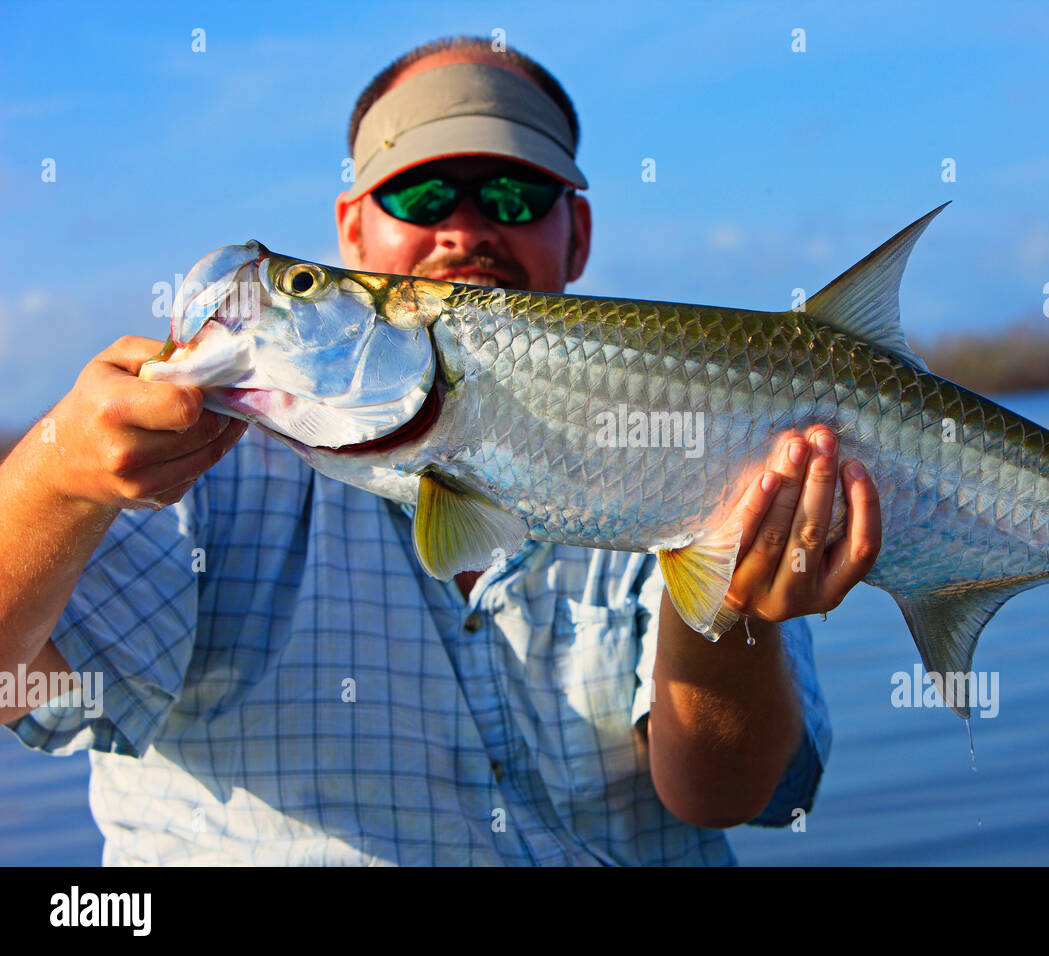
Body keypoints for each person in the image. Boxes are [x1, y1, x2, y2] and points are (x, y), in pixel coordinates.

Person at [0, 36, 879, 865]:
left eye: (511, 196)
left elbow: (721, 795)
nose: (463, 231)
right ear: (352, 232)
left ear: (576, 234)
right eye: (422, 197)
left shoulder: (692, 435)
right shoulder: (187, 468)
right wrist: (56, 478)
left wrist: (735, 612)